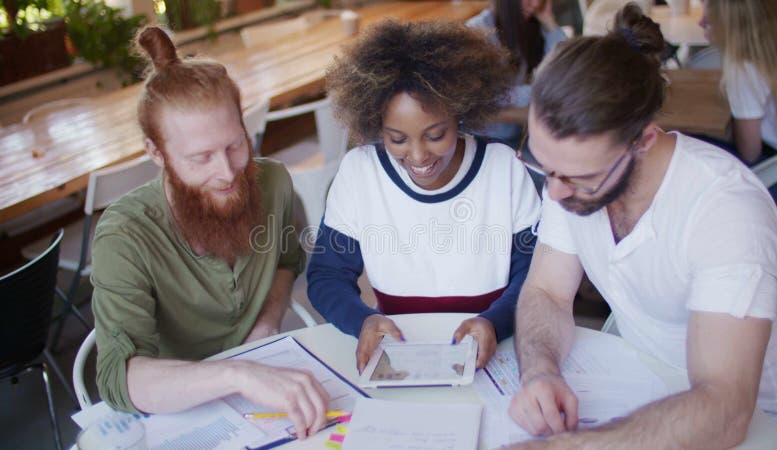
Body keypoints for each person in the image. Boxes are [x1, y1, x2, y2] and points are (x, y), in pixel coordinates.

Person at [507, 3, 777, 448]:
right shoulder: (569, 180)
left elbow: (724, 409)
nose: (554, 193)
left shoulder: (725, 211)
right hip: (645, 390)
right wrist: (541, 371)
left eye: (577, 177)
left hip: (763, 428)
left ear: (644, 139)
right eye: (542, 166)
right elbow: (547, 290)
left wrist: (573, 445)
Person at [90, 26, 330, 439]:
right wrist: (238, 373)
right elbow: (118, 378)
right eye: (201, 158)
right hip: (178, 412)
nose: (227, 172)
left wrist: (267, 324)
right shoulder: (124, 236)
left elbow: (288, 260)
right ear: (156, 152)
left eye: (236, 144)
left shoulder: (271, 181)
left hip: (262, 390)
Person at [307, 20, 540, 372]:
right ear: (376, 124)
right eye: (397, 139)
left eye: (435, 135)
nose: (418, 156)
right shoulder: (360, 172)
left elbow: (535, 271)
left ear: (459, 112)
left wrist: (496, 321)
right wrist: (363, 321)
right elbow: (326, 276)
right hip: (402, 355)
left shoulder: (502, 167)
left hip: (496, 350)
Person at [699, 0, 777, 217]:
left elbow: (750, 153)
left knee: (695, 151)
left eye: (708, 20)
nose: (700, 23)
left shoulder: (743, 68)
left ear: (730, 25)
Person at [467, 0, 567, 145]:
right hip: (488, 140)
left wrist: (549, 21)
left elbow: (564, 67)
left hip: (517, 133)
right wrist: (541, 91)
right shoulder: (478, 32)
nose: (536, 4)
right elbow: (488, 97)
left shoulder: (530, 24)